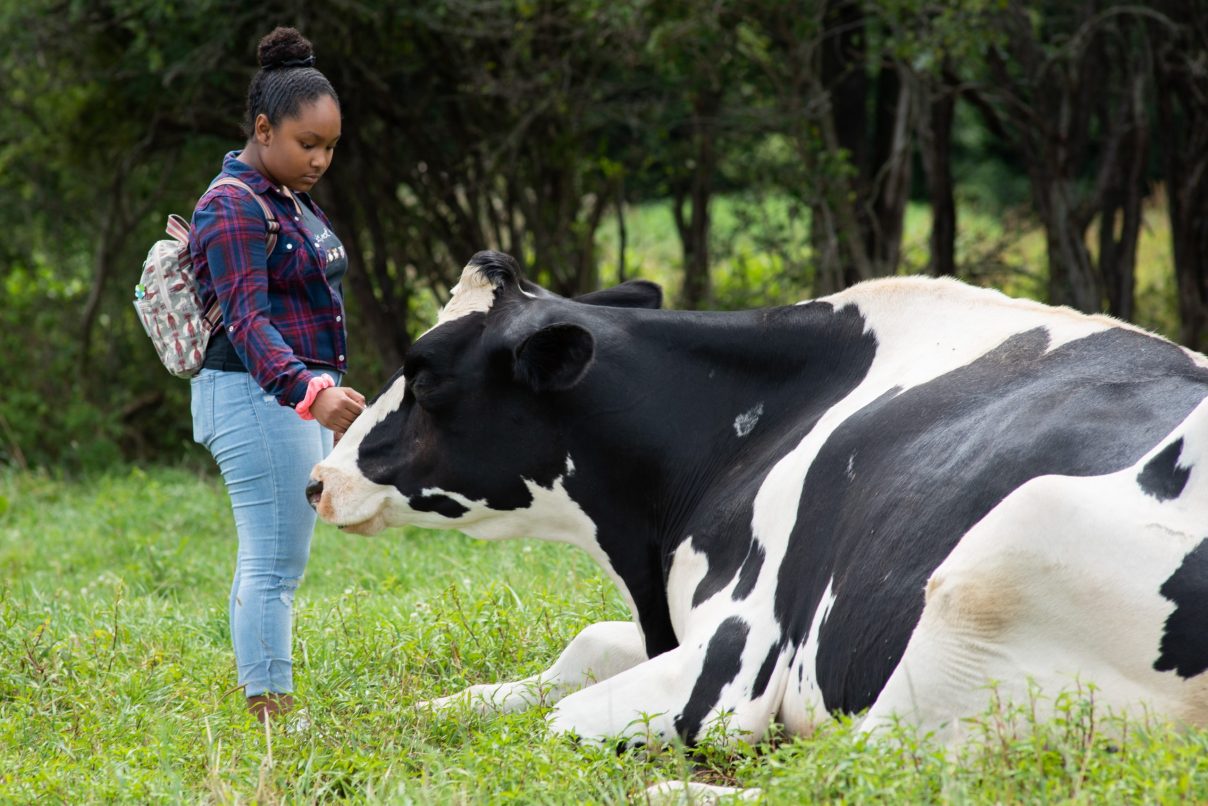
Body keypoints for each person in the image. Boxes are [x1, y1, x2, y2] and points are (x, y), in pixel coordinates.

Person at [189, 26, 365, 723]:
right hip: (254, 395)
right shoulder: (233, 204)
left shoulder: (288, 196)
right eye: (307, 144)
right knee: (273, 562)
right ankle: (269, 712)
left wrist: (314, 389)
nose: (320, 159)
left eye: (329, 147)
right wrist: (311, 393)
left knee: (281, 560)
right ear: (264, 129)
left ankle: (270, 698)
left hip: (284, 397)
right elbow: (246, 322)